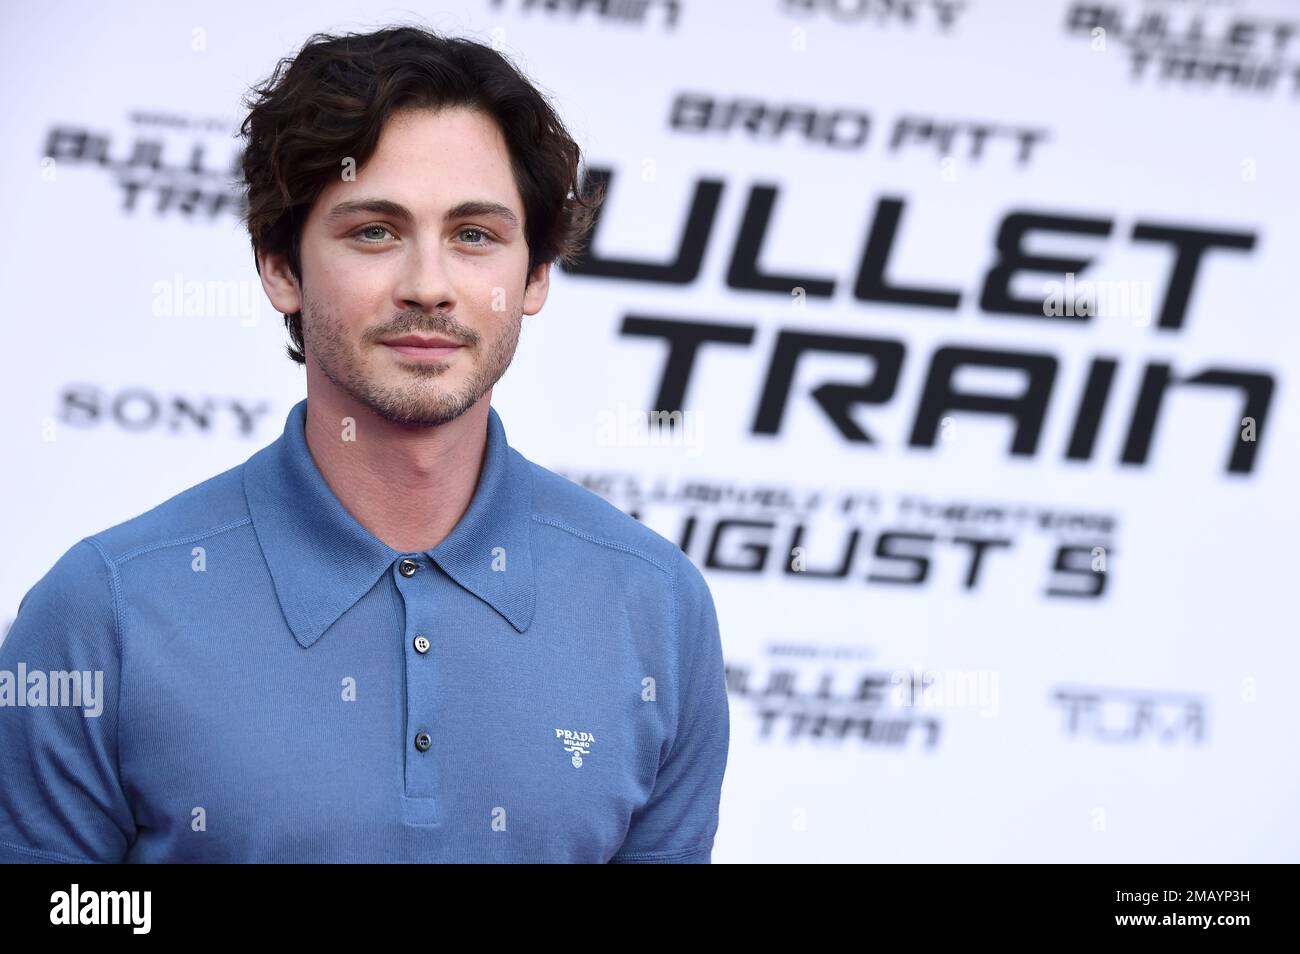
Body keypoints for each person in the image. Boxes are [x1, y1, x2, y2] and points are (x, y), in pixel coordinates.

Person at [0, 26, 729, 863]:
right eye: (375, 231)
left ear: (534, 277)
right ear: (279, 265)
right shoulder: (104, 611)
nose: (428, 286)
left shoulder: (655, 608)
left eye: (475, 235)